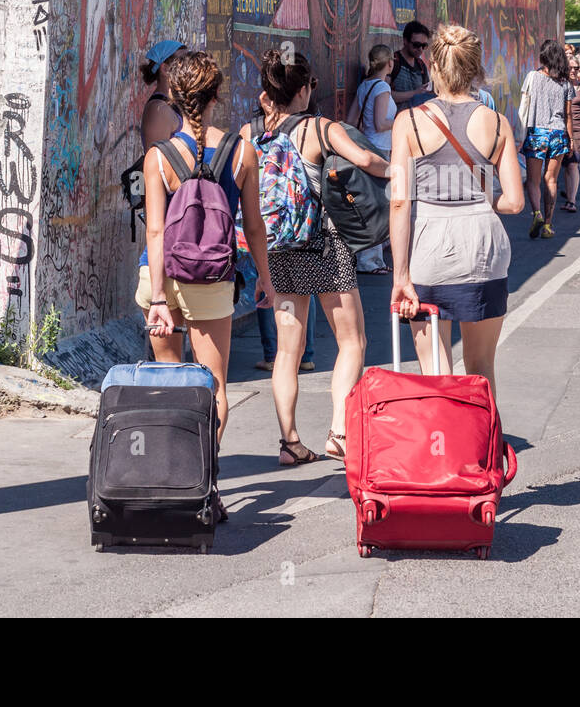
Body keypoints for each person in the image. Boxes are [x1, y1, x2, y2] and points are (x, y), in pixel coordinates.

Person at [241, 50, 390, 465]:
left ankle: (290, 443)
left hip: (278, 251)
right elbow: (366, 161)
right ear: (304, 89)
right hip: (324, 245)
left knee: (288, 350)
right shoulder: (319, 128)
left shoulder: (250, 132)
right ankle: (339, 432)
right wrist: (398, 169)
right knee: (352, 341)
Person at [142, 51, 276, 446]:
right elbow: (253, 226)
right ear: (216, 95)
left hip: (160, 276)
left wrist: (157, 298)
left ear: (176, 99)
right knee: (213, 385)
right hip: (214, 279)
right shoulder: (241, 152)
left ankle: (173, 474)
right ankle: (205, 476)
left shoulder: (159, 156)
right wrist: (264, 278)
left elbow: (154, 230)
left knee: (168, 379)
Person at [390, 23, 524, 397]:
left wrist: (400, 275)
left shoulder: (409, 122)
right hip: (484, 244)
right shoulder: (497, 123)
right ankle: (485, 447)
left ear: (432, 65)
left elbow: (400, 200)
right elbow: (514, 202)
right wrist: (479, 196)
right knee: (481, 368)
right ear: (476, 68)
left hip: (431, 242)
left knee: (436, 370)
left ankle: (444, 450)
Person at [519, 39, 575, 240]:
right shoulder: (566, 83)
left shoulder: (532, 77)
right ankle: (548, 226)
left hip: (537, 133)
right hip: (558, 134)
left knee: (532, 181)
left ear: (543, 57)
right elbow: (568, 115)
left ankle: (537, 214)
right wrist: (570, 141)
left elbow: (524, 106)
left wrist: (519, 135)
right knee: (551, 179)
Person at [351, 44, 398, 274]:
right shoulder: (382, 87)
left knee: (371, 203)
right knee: (380, 204)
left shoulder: (365, 86)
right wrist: (401, 120)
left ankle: (371, 260)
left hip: (366, 146)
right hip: (380, 149)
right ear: (389, 63)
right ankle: (370, 261)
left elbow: (351, 119)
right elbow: (381, 124)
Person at [139, 40, 187, 151]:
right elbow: (157, 161)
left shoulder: (174, 103)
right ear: (165, 69)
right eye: (183, 62)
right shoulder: (158, 110)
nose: (188, 67)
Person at [561, 51, 580, 213]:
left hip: (578, 130)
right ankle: (569, 198)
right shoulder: (560, 86)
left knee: (573, 164)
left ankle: (572, 201)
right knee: (566, 166)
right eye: (570, 68)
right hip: (562, 129)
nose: (573, 71)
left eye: (577, 68)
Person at [392, 20, 433, 108]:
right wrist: (414, 93)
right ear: (405, 41)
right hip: (395, 120)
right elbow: (383, 95)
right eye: (416, 45)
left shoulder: (421, 65)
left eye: (424, 46)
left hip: (417, 119)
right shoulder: (393, 62)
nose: (420, 49)